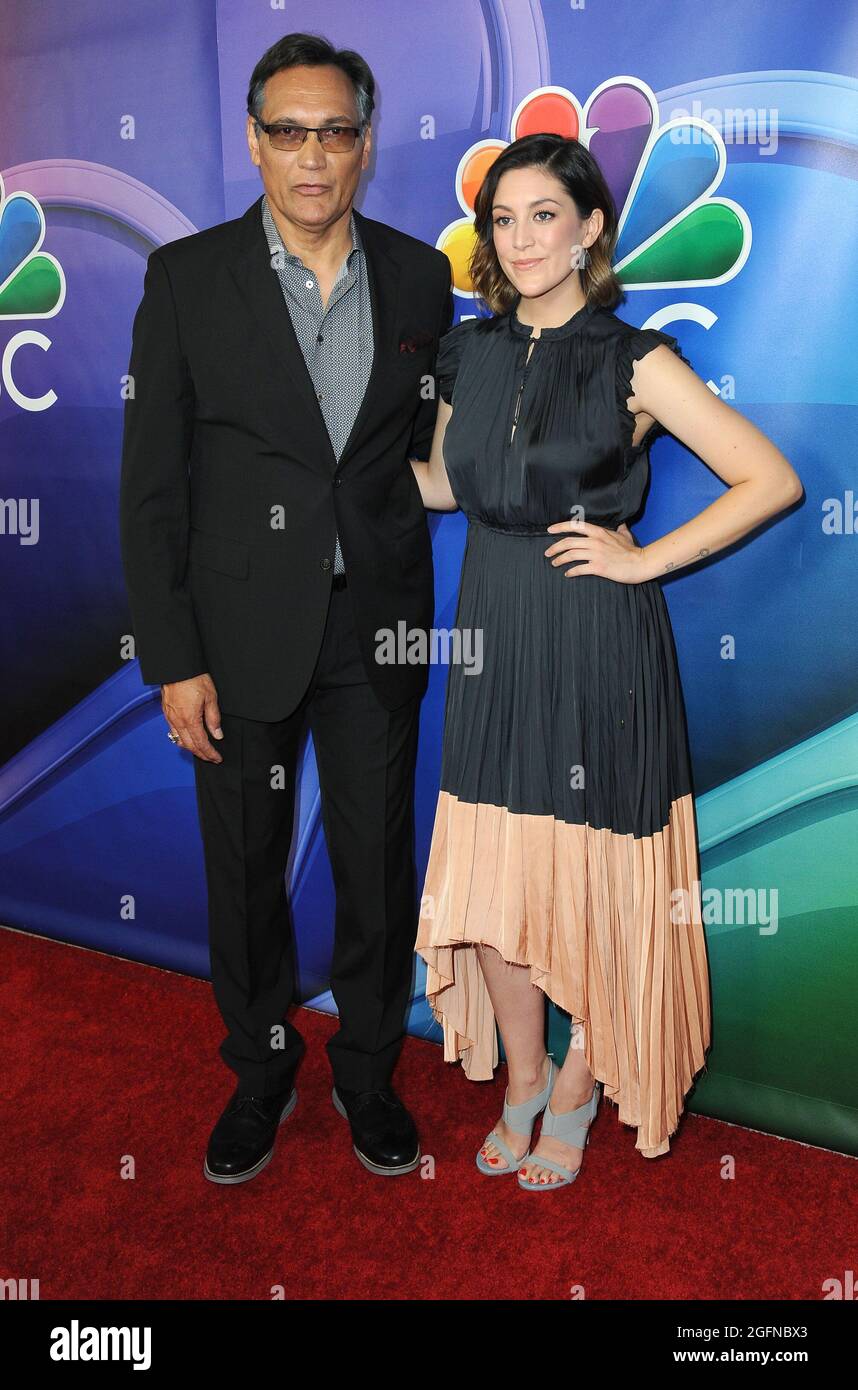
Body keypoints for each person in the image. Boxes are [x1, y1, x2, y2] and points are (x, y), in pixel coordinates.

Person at [411, 133, 802, 1189]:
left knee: (597, 878)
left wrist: (645, 561)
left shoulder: (638, 358)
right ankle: (525, 1074)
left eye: (546, 214)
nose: (523, 237)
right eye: (504, 218)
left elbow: (768, 478)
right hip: (492, 629)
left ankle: (584, 1082)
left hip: (596, 641)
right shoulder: (469, 353)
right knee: (491, 875)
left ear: (590, 228)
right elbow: (446, 485)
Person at [119, 33, 452, 1184]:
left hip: (376, 633)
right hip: (236, 639)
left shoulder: (421, 278)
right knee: (246, 873)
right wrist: (174, 656)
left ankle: (367, 1077)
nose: (314, 155)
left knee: (376, 869)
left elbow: (412, 455)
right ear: (256, 142)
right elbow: (152, 487)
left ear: (364, 143)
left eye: (337, 131)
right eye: (290, 131)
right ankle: (262, 1080)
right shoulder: (187, 278)